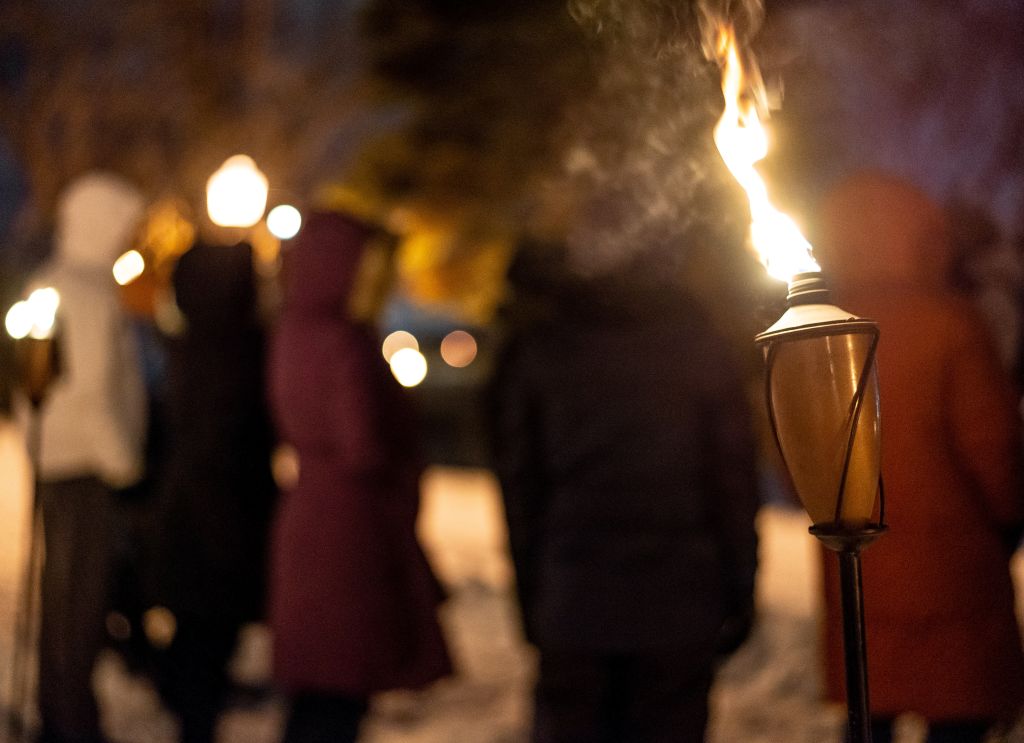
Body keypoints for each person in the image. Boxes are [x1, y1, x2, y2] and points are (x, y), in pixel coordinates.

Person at [488, 242, 760, 743]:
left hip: (575, 598)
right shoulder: (698, 346)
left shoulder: (544, 348)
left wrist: (533, 595)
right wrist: (740, 588)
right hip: (679, 600)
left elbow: (521, 487)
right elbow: (733, 482)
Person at [814, 170, 1024, 743]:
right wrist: (1008, 522)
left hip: (859, 572)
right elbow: (994, 447)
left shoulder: (817, 334)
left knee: (868, 710)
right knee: (956, 718)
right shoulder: (950, 325)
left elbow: (797, 453)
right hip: (954, 577)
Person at [267, 208, 452, 743]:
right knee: (339, 690)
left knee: (319, 691)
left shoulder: (293, 329)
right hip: (348, 531)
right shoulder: (343, 341)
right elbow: (363, 443)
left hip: (308, 518)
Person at [21, 172, 148, 743]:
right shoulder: (87, 292)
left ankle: (63, 708)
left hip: (60, 462)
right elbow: (91, 390)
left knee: (65, 597)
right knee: (77, 601)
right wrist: (124, 464)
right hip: (83, 470)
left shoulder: (60, 282)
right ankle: (69, 718)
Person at [144, 240, 277, 743]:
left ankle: (187, 702)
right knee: (206, 645)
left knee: (198, 642)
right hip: (224, 519)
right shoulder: (242, 350)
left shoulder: (186, 345)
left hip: (190, 516)